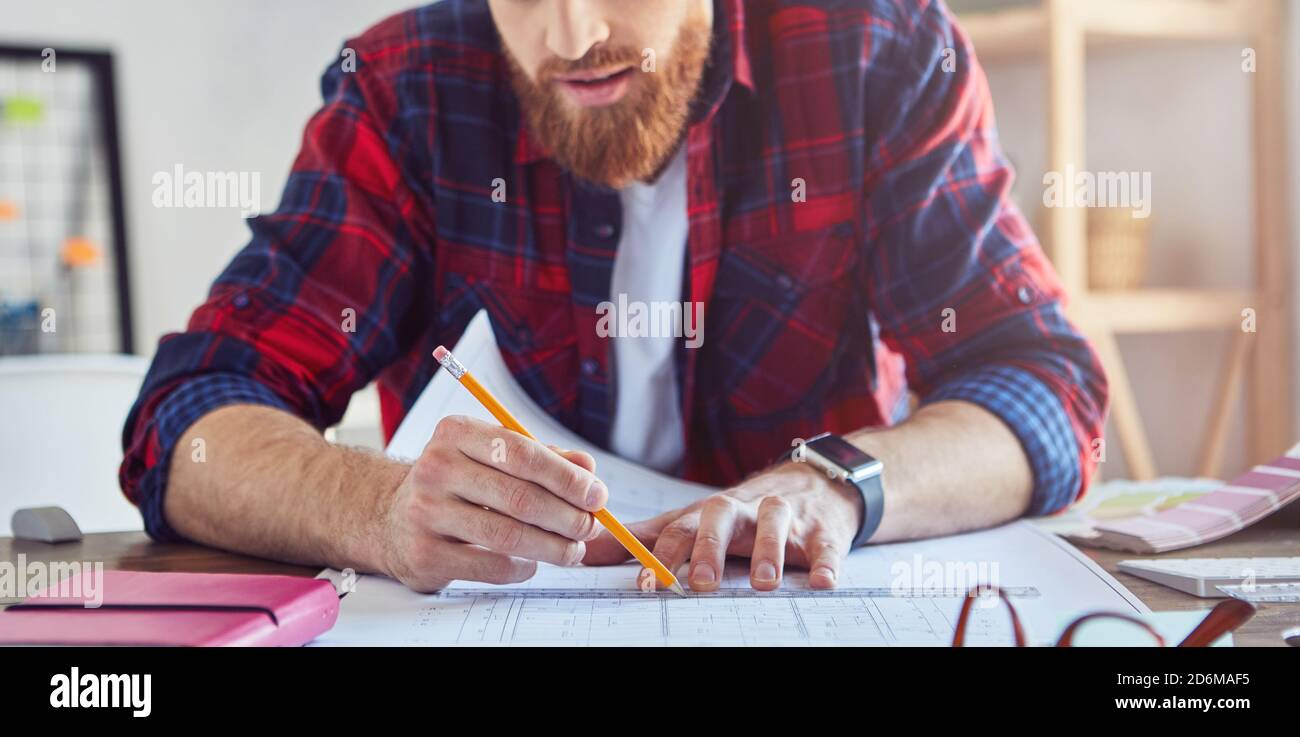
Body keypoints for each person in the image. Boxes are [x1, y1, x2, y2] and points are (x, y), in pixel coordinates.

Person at [121, 0, 1108, 594]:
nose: (574, 35)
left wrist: (838, 482)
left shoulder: (875, 50)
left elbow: (1040, 388)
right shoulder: (405, 91)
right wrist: (371, 506)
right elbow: (187, 421)